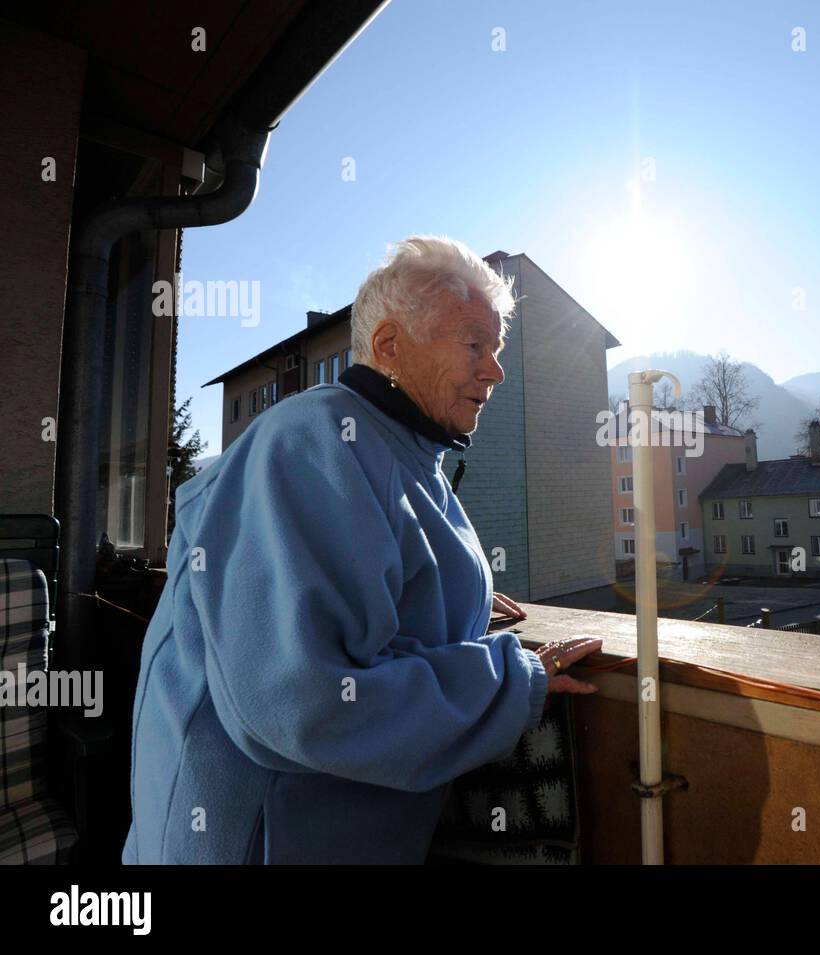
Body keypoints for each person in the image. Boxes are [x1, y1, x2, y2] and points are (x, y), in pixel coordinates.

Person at [122, 236, 601, 864]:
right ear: (389, 347)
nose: (495, 370)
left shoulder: (404, 448)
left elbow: (381, 590)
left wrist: (465, 609)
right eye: (474, 345)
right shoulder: (312, 443)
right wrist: (510, 679)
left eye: (497, 349)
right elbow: (309, 701)